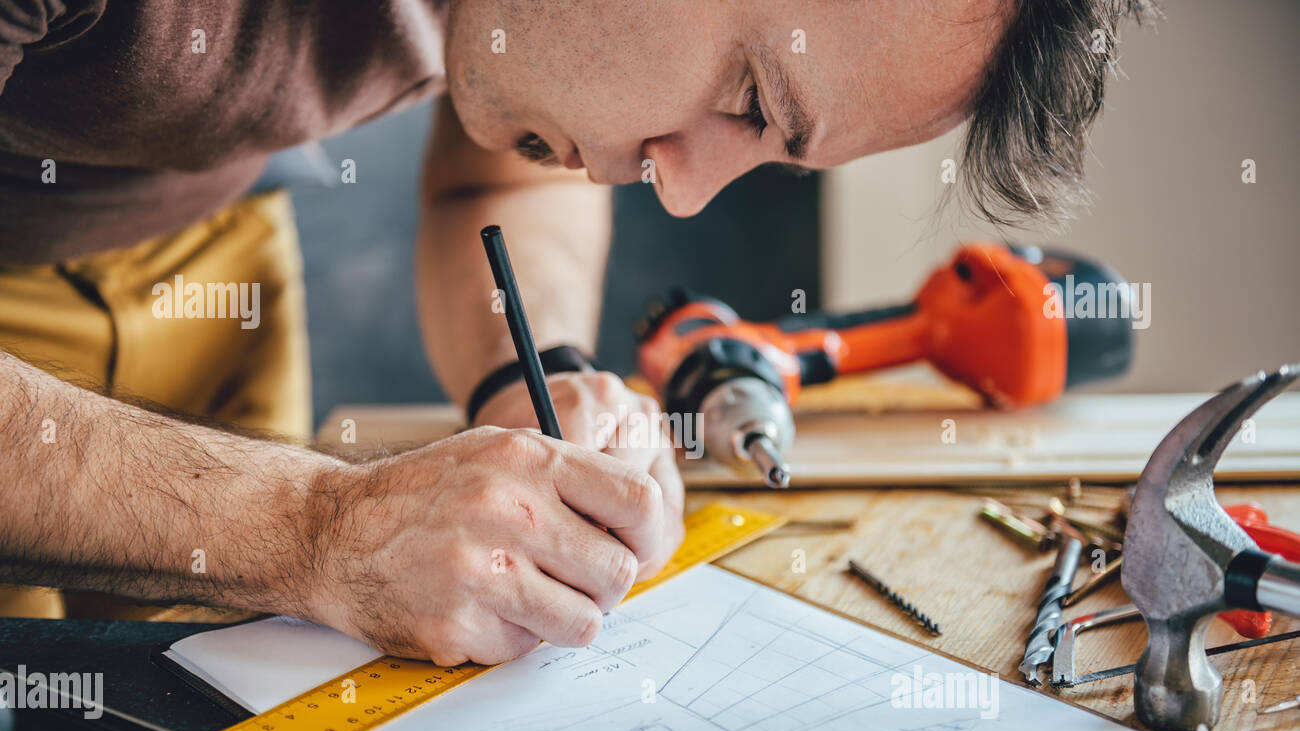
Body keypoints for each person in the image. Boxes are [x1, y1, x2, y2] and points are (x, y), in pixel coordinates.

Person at [0, 0, 1155, 663]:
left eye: (766, 147)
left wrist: (532, 375)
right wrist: (313, 524)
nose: (686, 193)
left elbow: (508, 169)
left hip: (200, 248)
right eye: (752, 98)